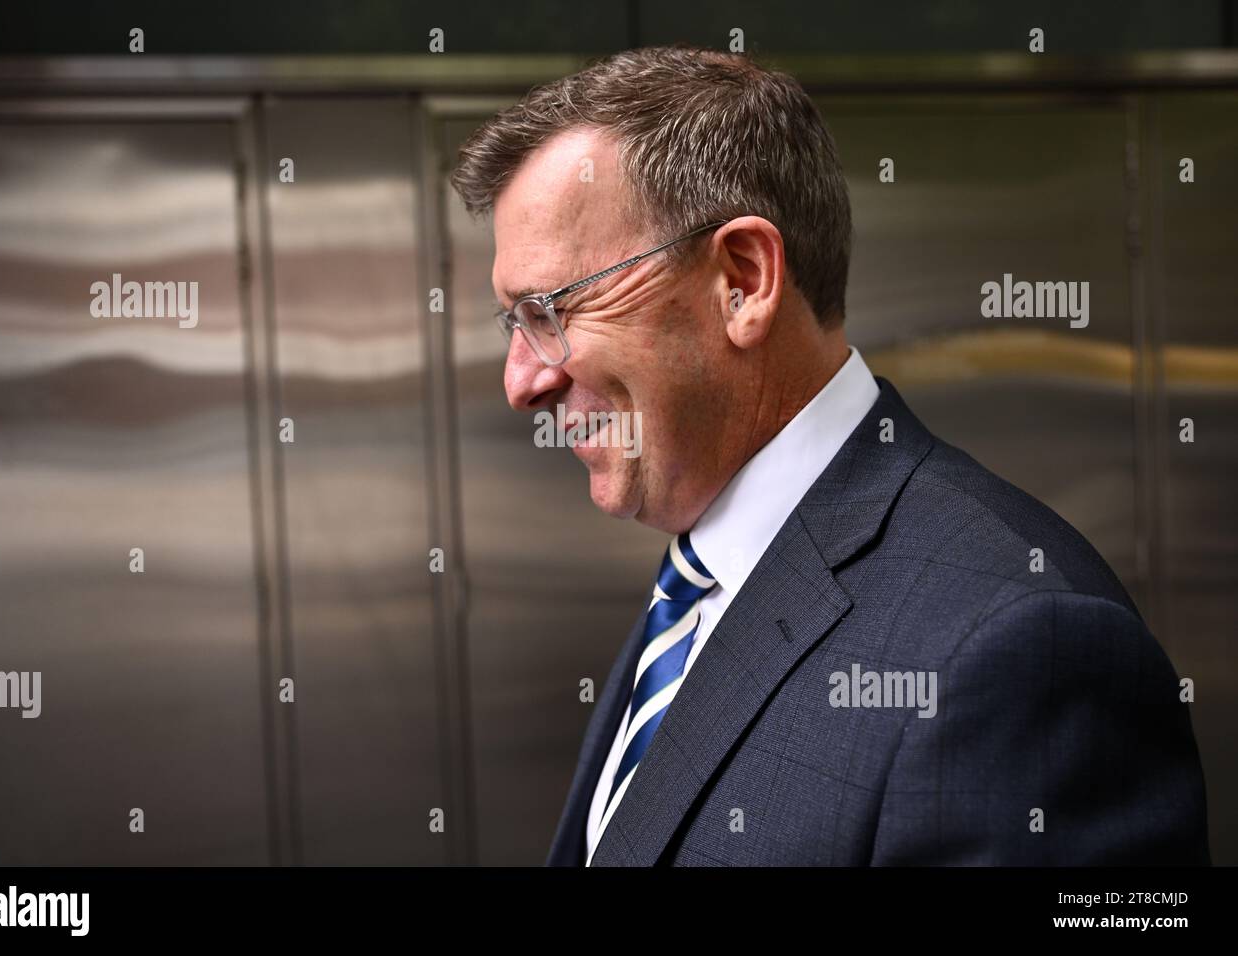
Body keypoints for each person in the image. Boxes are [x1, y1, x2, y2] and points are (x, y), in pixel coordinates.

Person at [449, 45, 1209, 866]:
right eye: (513, 322)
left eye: (550, 309)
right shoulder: (702, 581)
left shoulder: (1022, 648)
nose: (521, 382)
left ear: (742, 279)